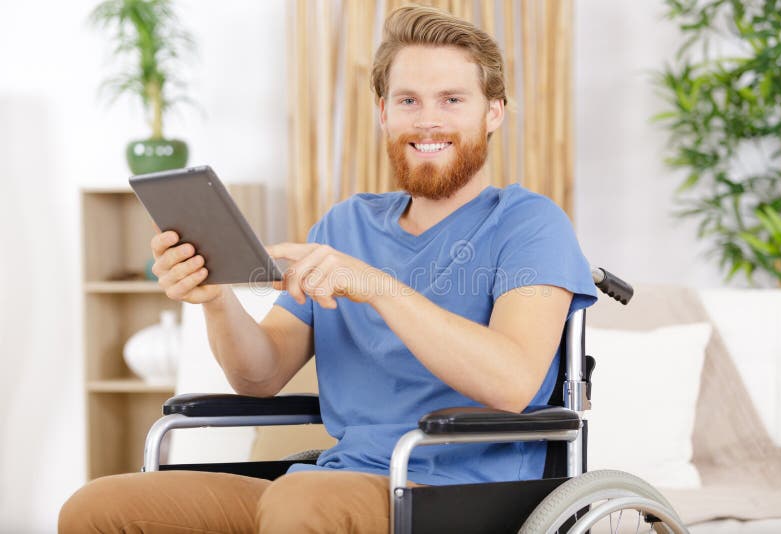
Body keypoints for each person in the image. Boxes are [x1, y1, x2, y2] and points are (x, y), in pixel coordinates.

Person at [59, 5, 597, 533]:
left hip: (461, 494)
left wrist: (379, 288)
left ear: (493, 112)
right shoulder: (345, 226)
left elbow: (510, 383)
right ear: (385, 113)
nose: (428, 119)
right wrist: (216, 298)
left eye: (452, 100)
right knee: (98, 507)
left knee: (303, 503)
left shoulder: (529, 224)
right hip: (331, 482)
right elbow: (260, 375)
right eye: (408, 100)